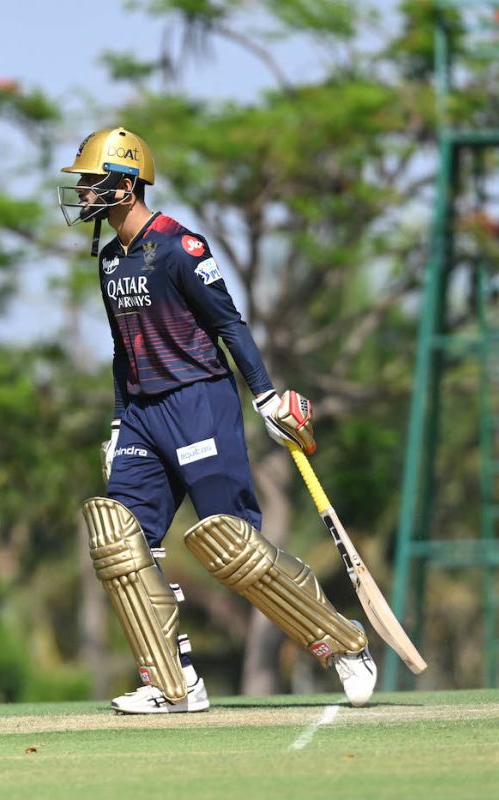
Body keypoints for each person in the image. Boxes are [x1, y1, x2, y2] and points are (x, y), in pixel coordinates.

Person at [57, 128, 376, 714]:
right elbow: (122, 350)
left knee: (232, 545)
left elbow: (230, 325)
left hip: (200, 401)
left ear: (125, 186)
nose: (81, 192)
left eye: (91, 181)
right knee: (119, 540)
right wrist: (117, 424)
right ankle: (172, 683)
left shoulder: (181, 246)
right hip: (142, 415)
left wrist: (265, 398)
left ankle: (346, 646)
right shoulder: (108, 261)